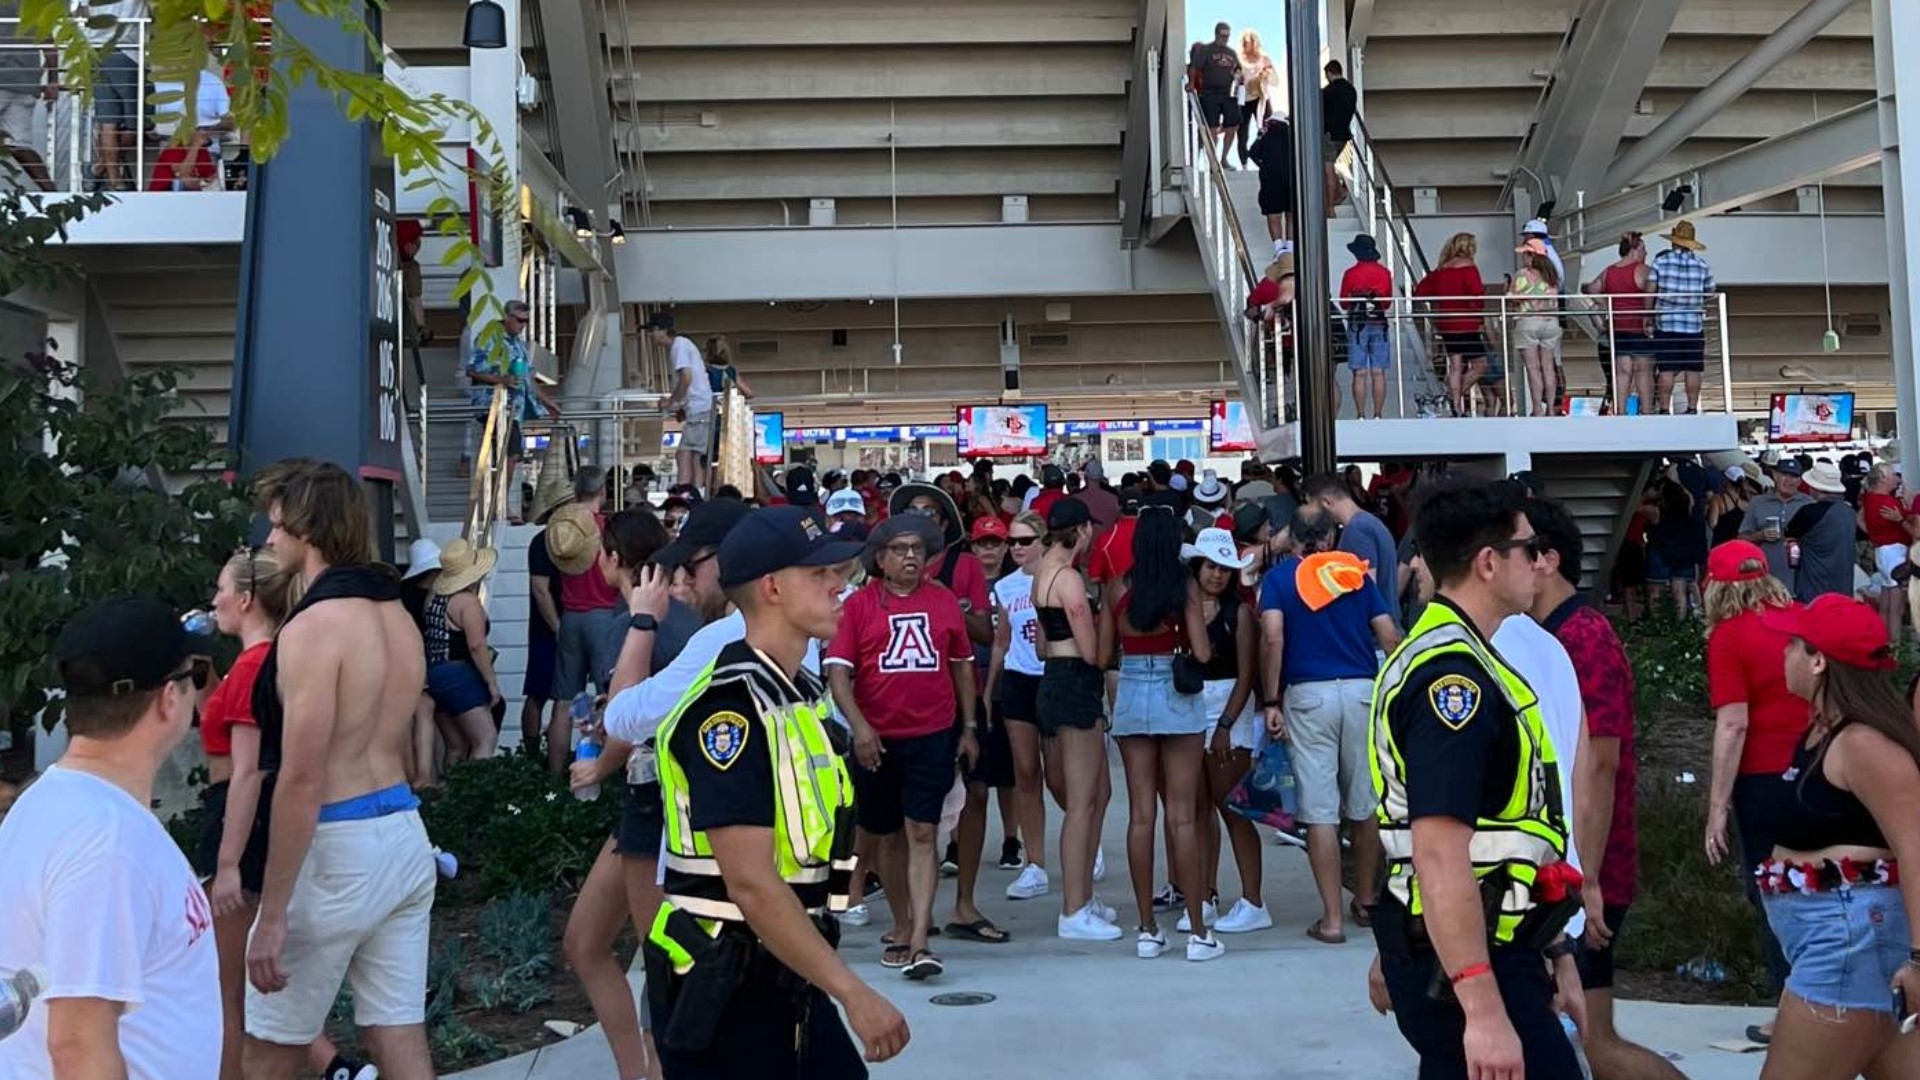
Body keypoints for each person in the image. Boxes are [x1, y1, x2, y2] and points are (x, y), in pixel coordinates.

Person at [644, 505, 910, 1078]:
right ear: (771, 588)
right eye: (819, 575)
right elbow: (751, 883)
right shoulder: (730, 713)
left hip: (784, 972)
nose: (840, 585)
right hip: (726, 991)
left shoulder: (796, 695)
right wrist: (854, 994)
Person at [1364, 480, 1581, 1080]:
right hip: (1471, 963)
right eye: (1529, 548)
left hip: (1483, 947)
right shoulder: (1451, 681)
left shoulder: (1463, 656)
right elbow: (1436, 851)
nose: (1543, 563)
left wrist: (1553, 947)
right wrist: (1483, 1008)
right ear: (1489, 563)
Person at [245, 460, 437, 1080]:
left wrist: (271, 916)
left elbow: (301, 776)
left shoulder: (313, 629)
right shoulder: (398, 618)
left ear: (308, 529)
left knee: (268, 1051)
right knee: (398, 1033)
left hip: (337, 845)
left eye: (277, 526)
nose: (269, 540)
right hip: (404, 832)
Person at [0, 598, 220, 1080]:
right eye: (195, 678)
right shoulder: (107, 842)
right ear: (168, 698)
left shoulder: (56, 804)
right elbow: (78, 1045)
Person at [1526, 500, 1688, 1080]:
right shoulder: (1551, 634)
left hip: (1590, 872)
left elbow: (1599, 763)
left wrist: (1587, 880)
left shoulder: (1582, 637)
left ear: (1545, 560)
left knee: (1598, 1045)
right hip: (1568, 869)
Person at [196, 550, 372, 1080]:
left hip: (238, 819)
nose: (214, 600)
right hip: (247, 818)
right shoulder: (263, 662)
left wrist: (228, 862)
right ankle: (335, 1068)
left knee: (228, 993)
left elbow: (247, 769)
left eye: (221, 589)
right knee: (251, 985)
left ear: (246, 599)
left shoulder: (256, 665)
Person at [1753, 595, 1920, 1080]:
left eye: (1792, 645)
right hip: (1833, 939)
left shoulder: (1865, 744)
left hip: (1850, 943)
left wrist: (1919, 962)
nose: (1783, 654)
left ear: (1819, 661)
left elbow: (1915, 849)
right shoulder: (1822, 732)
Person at [828, 513, 984, 980]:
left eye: (918, 549)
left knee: (922, 831)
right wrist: (860, 729)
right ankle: (901, 923)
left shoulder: (942, 602)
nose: (912, 557)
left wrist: (969, 725)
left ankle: (919, 940)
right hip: (876, 738)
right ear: (880, 559)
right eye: (901, 549)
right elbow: (839, 674)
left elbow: (960, 665)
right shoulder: (857, 606)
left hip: (932, 734)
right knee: (886, 835)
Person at [1261, 513, 1398, 943]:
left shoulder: (1280, 580)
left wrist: (1270, 698)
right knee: (1364, 804)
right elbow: (1389, 634)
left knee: (1319, 811)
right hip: (1360, 692)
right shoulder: (1354, 575)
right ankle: (1367, 900)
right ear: (1329, 536)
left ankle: (1332, 920)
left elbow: (1273, 638)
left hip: (1309, 696)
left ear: (1292, 541)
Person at [1101, 506, 1225, 962]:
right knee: (1182, 816)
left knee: (1139, 816)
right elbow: (1202, 651)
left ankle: (1147, 929)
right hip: (1177, 695)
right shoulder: (1184, 586)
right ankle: (1197, 932)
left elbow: (1101, 654)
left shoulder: (1119, 588)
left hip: (1133, 689)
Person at [1702, 540, 1804, 1039]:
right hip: (1822, 769)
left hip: (1762, 777)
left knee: (1771, 893)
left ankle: (1792, 1009)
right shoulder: (1803, 620)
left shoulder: (1728, 636)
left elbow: (1733, 725)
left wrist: (1716, 807)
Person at [1033, 498, 1121, 940]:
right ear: (1081, 530)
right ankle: (1072, 908)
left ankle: (1083, 894)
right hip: (1076, 683)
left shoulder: (1040, 577)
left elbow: (1042, 647)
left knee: (1099, 793)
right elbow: (1091, 651)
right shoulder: (1068, 580)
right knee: (1083, 801)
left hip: (1056, 678)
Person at [1187, 528, 1269, 933]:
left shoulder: (1239, 614)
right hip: (1189, 711)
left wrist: (1225, 725)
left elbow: (1246, 674)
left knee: (1232, 808)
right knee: (1197, 811)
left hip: (1227, 711)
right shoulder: (1182, 608)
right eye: (1210, 566)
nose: (1217, 575)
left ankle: (1253, 900)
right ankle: (1202, 895)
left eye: (1224, 569)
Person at [992, 511, 1067, 902]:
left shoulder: (1061, 577)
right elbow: (1002, 640)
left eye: (1024, 540)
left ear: (1042, 540)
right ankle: (1034, 863)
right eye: (1012, 541)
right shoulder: (1005, 586)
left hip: (1053, 676)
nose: (1016, 548)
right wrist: (991, 687)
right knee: (1025, 772)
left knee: (1057, 775)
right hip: (1019, 678)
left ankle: (1083, 836)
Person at [422, 538, 503, 764]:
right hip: (458, 674)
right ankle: (476, 796)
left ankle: (451, 794)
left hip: (434, 674)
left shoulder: (433, 598)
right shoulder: (468, 603)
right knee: (485, 739)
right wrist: (491, 682)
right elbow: (476, 645)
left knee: (456, 746)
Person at [1416, 234, 1493, 418]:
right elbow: (1476, 295)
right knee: (1480, 365)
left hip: (1447, 324)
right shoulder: (1469, 268)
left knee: (1455, 366)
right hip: (1466, 322)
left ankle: (1456, 405)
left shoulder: (1442, 270)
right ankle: (1453, 396)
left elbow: (1420, 291)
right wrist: (1478, 317)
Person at [1647, 221, 1715, 415]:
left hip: (1666, 323)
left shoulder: (1661, 262)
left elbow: (1650, 290)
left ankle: (1663, 409)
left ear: (1674, 241)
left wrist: (1648, 315)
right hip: (1693, 324)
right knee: (1693, 369)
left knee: (1666, 369)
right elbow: (1709, 292)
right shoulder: (1702, 266)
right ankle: (1692, 408)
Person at [1583, 232, 1654, 413]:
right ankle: (1646, 412)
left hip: (1618, 326)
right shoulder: (1642, 270)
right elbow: (1654, 291)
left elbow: (1591, 289)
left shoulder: (1609, 271)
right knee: (1643, 371)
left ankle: (1620, 412)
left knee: (1622, 372)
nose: (1646, 253)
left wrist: (1607, 304)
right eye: (1643, 249)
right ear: (1634, 249)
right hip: (1639, 327)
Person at [654, 312, 715, 491]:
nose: (650, 335)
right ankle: (694, 493)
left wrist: (671, 402)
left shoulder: (678, 346)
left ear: (662, 330)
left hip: (699, 408)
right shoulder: (682, 345)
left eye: (652, 330)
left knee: (684, 454)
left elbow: (686, 378)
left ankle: (685, 493)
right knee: (695, 456)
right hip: (700, 408)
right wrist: (682, 406)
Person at [1740, 459, 1815, 595]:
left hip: (1801, 579)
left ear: (1800, 481)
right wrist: (1760, 536)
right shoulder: (1758, 503)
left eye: (1794, 476)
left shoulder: (1810, 504)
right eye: (1785, 475)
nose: (1789, 481)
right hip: (1765, 579)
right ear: (1775, 476)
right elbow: (1741, 540)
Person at [1341, 234, 1394, 420]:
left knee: (1359, 372)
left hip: (1357, 325)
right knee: (1378, 372)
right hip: (1379, 324)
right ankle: (1378, 414)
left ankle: (1360, 415)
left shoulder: (1350, 273)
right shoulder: (1385, 273)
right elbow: (1387, 304)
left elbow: (1344, 303)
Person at [1791, 463, 1859, 604]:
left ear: (1815, 488)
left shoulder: (1808, 512)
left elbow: (1789, 532)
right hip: (1843, 585)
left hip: (1813, 586)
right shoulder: (1849, 512)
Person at [1510, 239, 1564, 418]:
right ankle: (1550, 408)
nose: (1523, 258)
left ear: (1531, 255)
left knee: (1533, 369)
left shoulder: (1522, 275)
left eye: (1525, 254)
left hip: (1529, 321)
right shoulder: (1552, 275)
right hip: (1550, 322)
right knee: (1548, 367)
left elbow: (1513, 298)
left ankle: (1538, 409)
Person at [1860, 464, 1912, 643]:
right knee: (1895, 607)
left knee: (1886, 602)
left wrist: (1873, 534)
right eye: (1893, 475)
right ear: (1882, 478)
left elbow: (1859, 517)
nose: (1897, 478)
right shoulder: (1887, 502)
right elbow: (1913, 523)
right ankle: (1895, 649)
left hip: (1881, 550)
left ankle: (1882, 643)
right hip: (1895, 552)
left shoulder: (1869, 498)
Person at [1187, 22, 1241, 161]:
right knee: (1212, 126)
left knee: (1233, 123)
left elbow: (1237, 69)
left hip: (1227, 93)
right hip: (1209, 92)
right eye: (1223, 36)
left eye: (1227, 36)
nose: (1225, 39)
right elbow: (1194, 67)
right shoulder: (1206, 50)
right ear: (1216, 34)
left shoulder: (1231, 53)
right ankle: (1213, 159)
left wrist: (1238, 76)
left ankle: (1224, 158)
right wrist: (1192, 83)